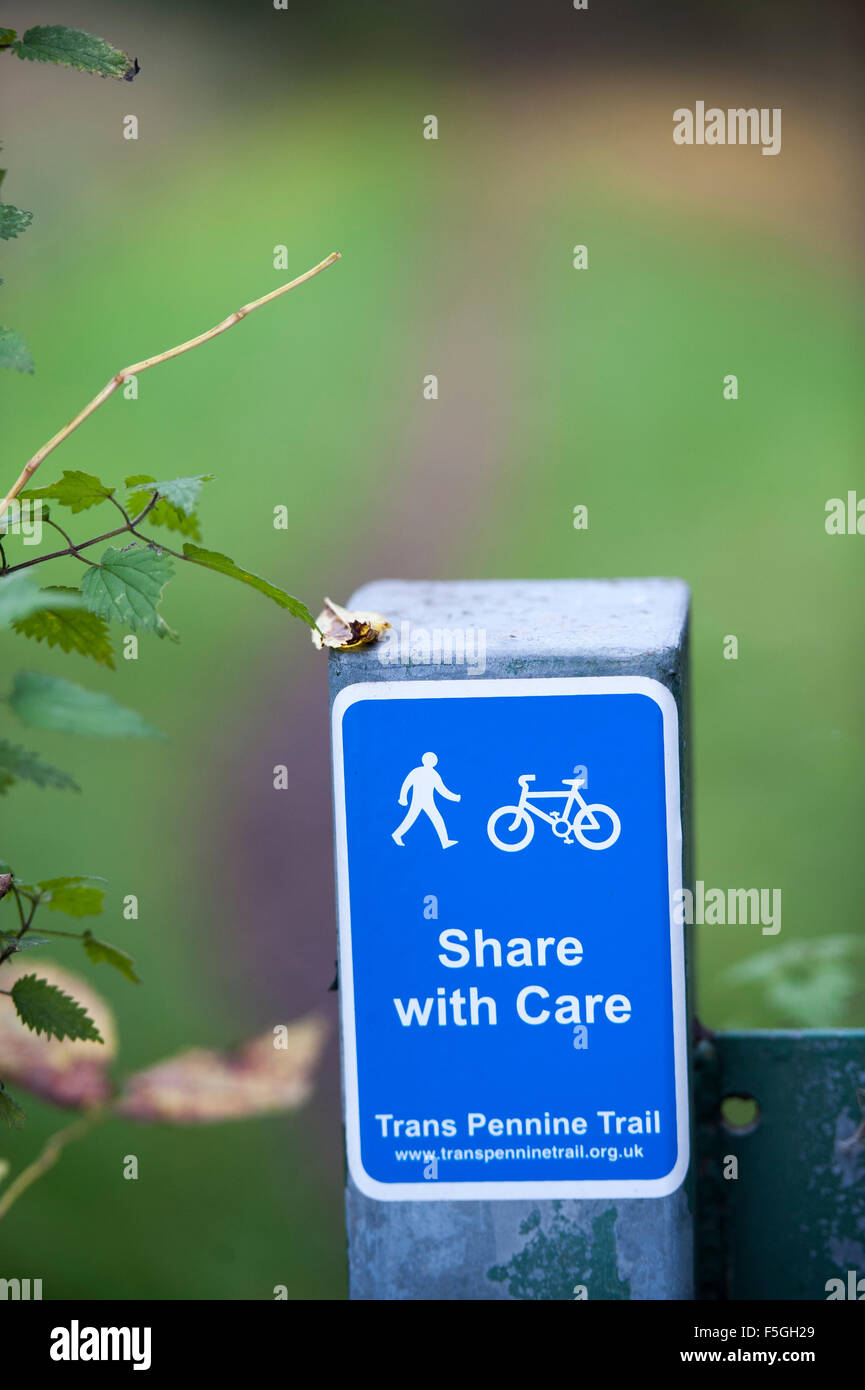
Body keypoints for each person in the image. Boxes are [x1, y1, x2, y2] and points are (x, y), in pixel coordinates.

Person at [392, 752, 460, 848]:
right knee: (416, 819)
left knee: (434, 819)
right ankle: (397, 834)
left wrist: (455, 797)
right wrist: (403, 798)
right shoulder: (419, 772)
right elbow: (406, 784)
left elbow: (442, 790)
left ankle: (445, 842)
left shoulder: (432, 774)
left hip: (427, 801)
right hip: (419, 801)